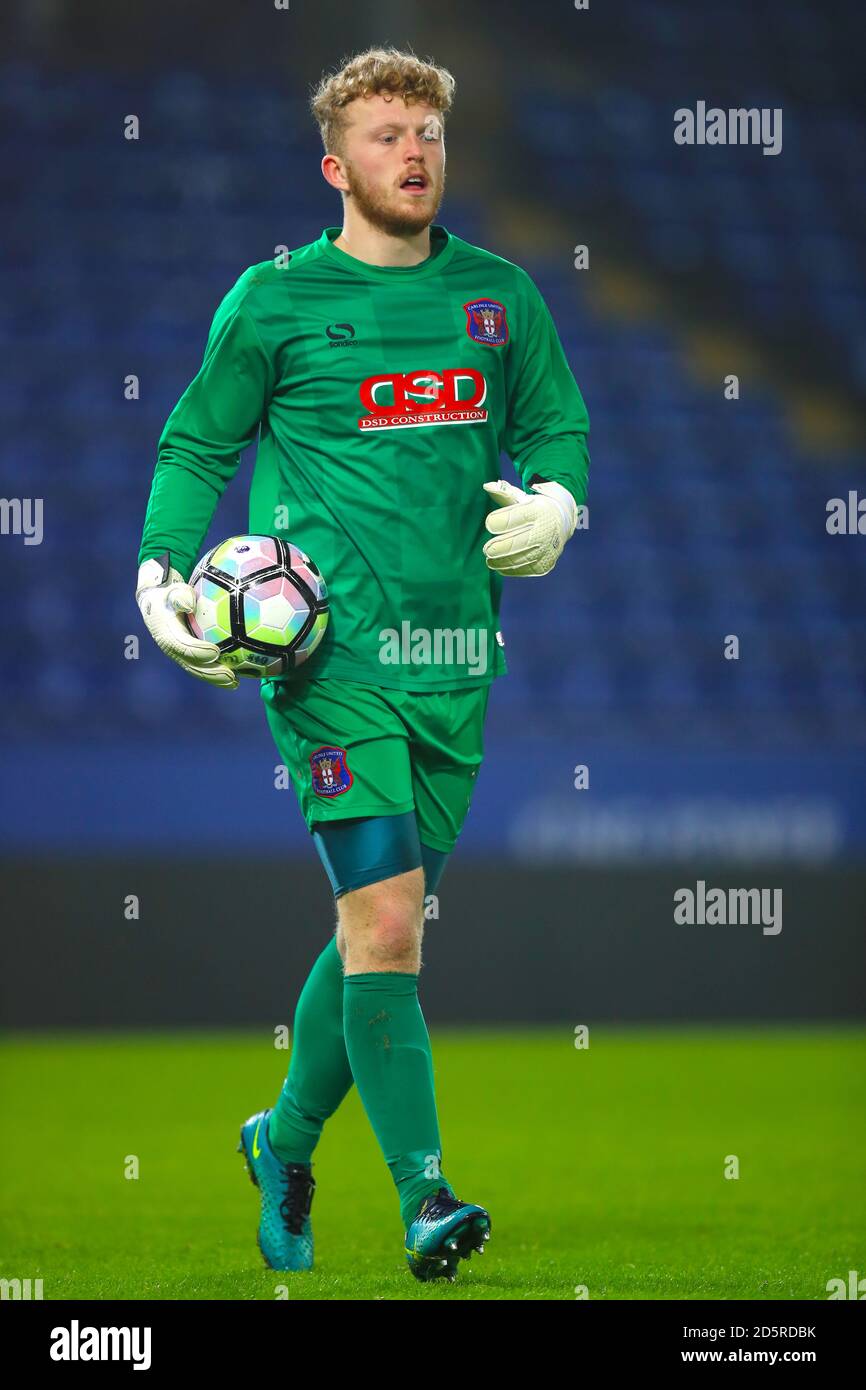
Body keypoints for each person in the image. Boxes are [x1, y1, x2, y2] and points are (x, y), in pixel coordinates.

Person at [136, 46, 589, 1283]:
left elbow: (556, 422)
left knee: (372, 929)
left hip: (457, 657)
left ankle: (280, 1137)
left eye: (429, 132)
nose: (415, 152)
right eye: (389, 134)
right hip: (325, 659)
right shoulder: (273, 300)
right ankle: (424, 1197)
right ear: (337, 164)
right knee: (389, 927)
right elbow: (193, 444)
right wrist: (159, 569)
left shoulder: (501, 297)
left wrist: (557, 499)